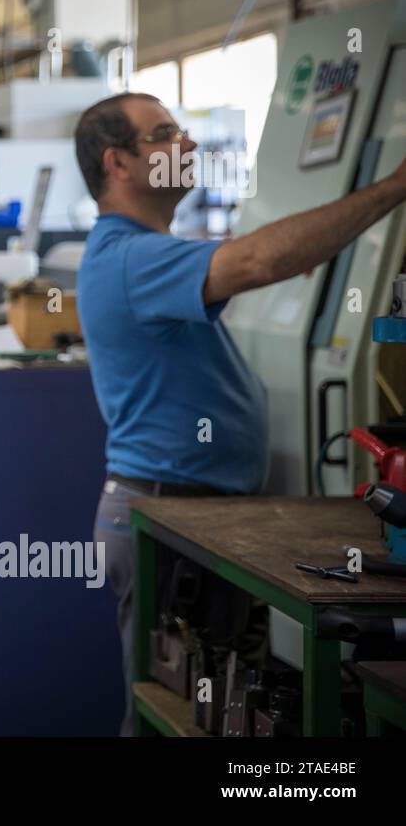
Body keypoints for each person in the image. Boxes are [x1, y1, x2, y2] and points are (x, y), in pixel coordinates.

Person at [74, 91, 406, 735]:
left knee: (211, 715)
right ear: (118, 162)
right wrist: (393, 187)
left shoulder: (148, 252)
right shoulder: (127, 257)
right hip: (168, 520)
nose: (189, 145)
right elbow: (257, 259)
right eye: (165, 134)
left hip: (194, 512)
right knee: (170, 717)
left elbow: (265, 261)